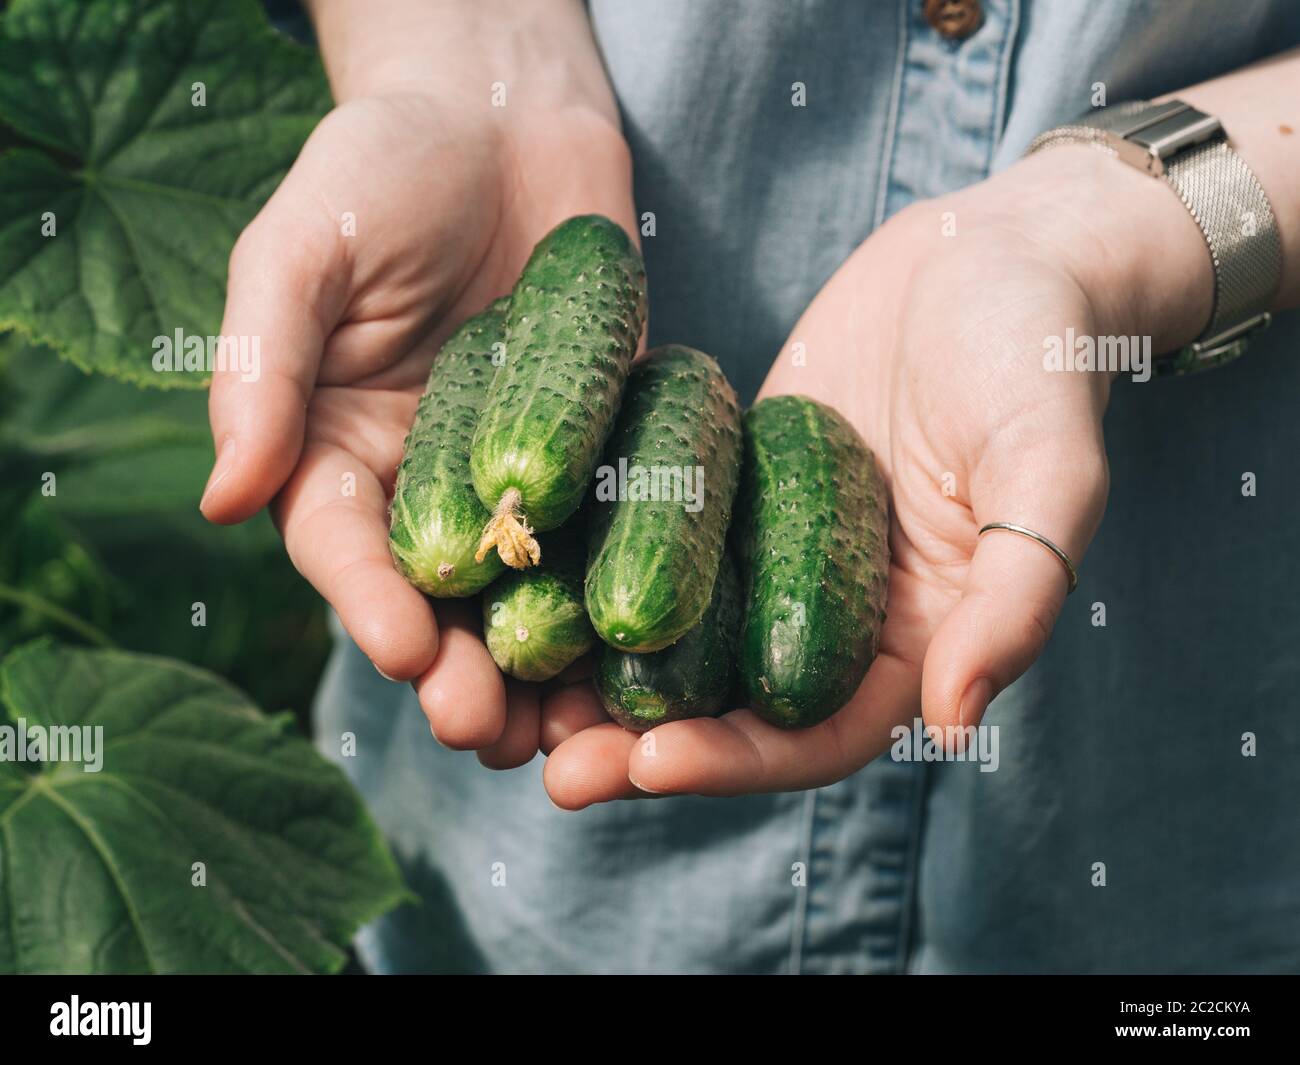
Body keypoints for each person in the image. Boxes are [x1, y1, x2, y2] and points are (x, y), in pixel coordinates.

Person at [202, 0, 1300, 973]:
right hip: (535, 905)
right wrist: (451, 64)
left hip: (1161, 792)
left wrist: (1111, 232)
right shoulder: (540, 477)